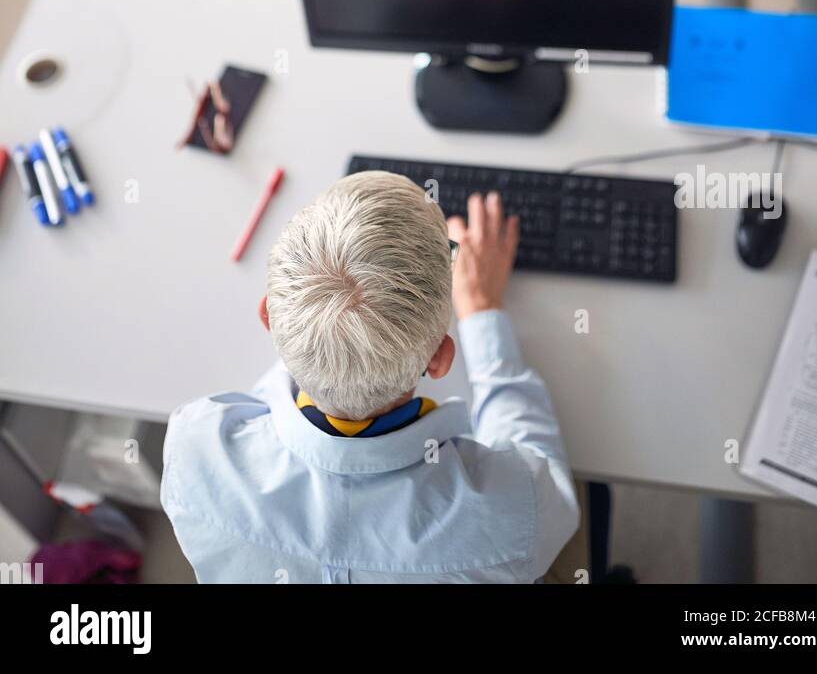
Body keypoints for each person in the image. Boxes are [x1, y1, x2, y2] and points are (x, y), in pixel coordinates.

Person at [161, 172, 580, 583]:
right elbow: (553, 488)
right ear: (439, 358)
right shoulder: (508, 517)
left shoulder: (195, 452)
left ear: (267, 318)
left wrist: (317, 329)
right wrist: (484, 310)